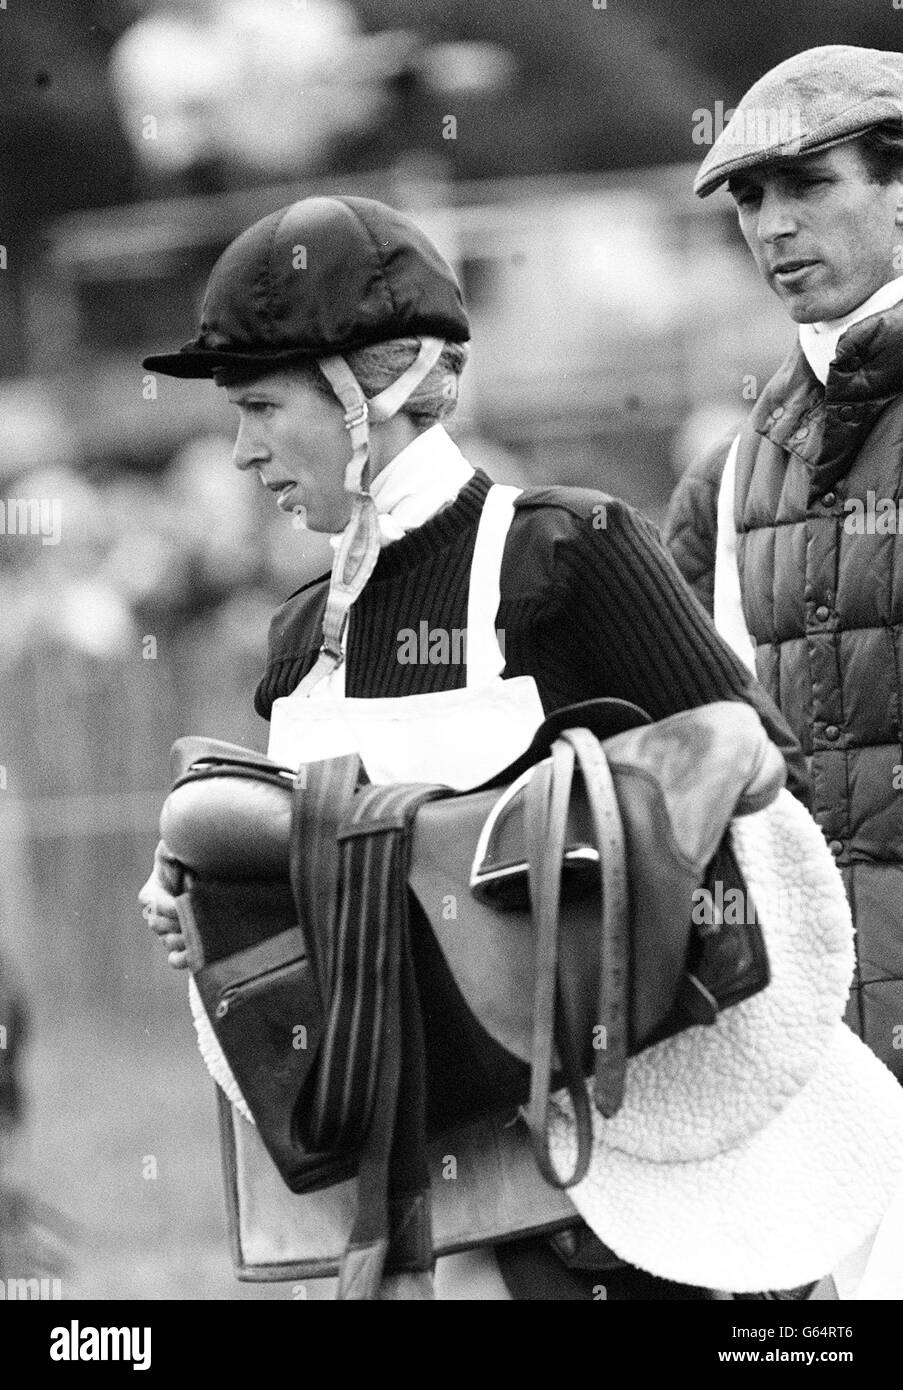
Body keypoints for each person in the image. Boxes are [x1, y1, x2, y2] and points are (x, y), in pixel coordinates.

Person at [140, 194, 808, 1299]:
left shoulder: (568, 548)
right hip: (390, 1199)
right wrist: (208, 911)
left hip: (606, 1202)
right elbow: (313, 886)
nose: (241, 449)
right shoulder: (301, 632)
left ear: (371, 393)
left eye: (261, 406)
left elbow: (759, 796)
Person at [664, 45, 903, 1083]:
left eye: (810, 184)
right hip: (810, 997)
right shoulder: (729, 476)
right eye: (750, 198)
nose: (772, 224)